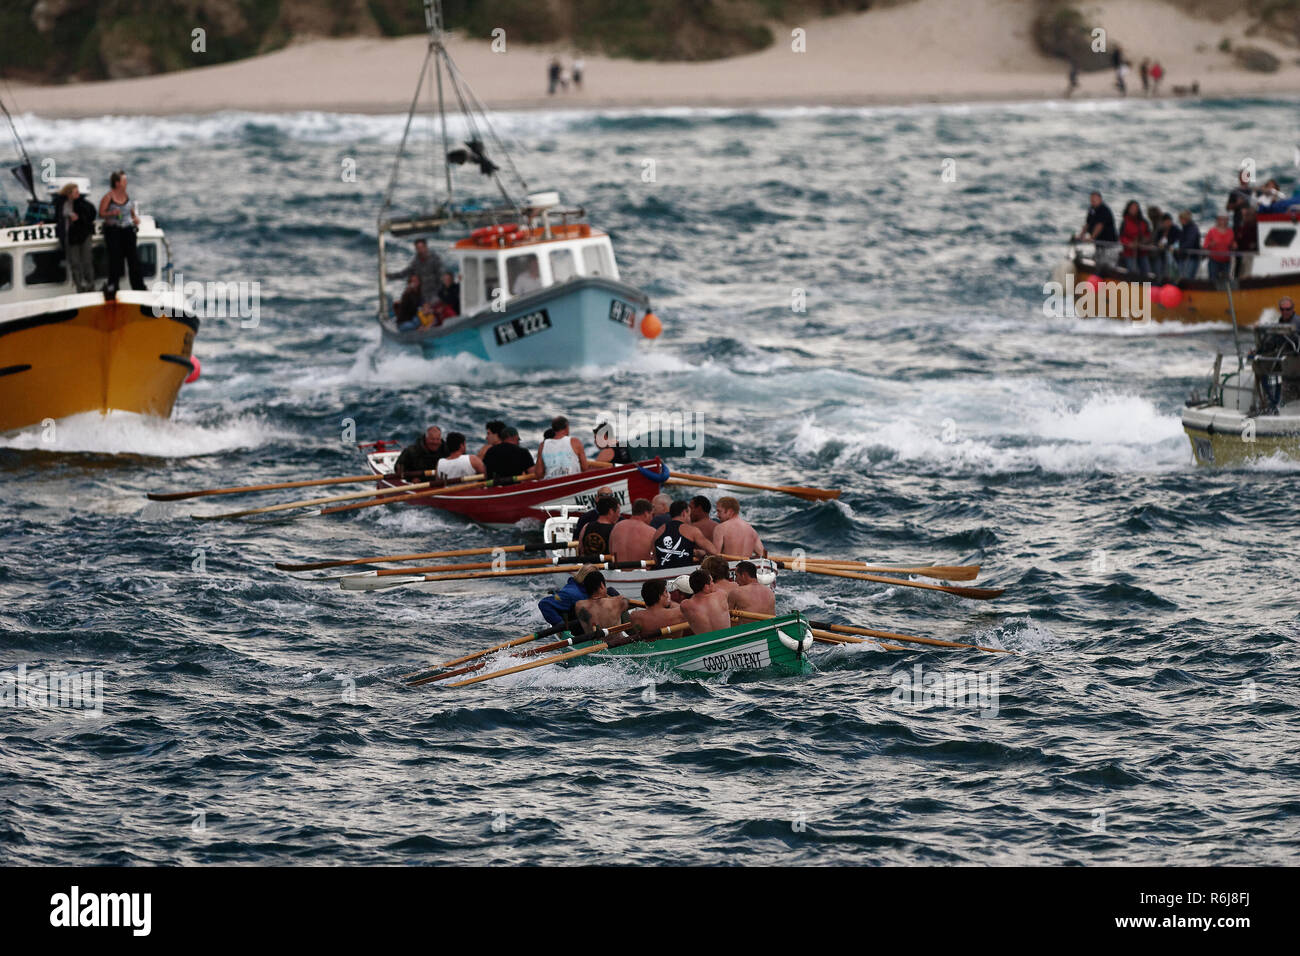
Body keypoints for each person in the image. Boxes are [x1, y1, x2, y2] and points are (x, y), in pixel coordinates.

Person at [99, 170, 144, 295]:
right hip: (114, 231)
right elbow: (101, 213)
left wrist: (135, 218)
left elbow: (130, 209)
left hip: (128, 230)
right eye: (124, 180)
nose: (126, 183)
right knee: (115, 259)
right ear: (117, 183)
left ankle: (138, 285)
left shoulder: (126, 195)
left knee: (133, 259)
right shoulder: (108, 197)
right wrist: (112, 213)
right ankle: (113, 285)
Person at [538, 564, 620, 627]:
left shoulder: (590, 590)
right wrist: (560, 625)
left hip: (586, 619)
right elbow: (544, 604)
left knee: (612, 592)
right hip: (575, 624)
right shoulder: (571, 594)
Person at [654, 500, 718, 569]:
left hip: (663, 575)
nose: (690, 518)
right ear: (684, 513)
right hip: (684, 575)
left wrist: (695, 552)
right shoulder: (691, 530)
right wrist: (699, 553)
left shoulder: (658, 532)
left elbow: (655, 557)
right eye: (689, 515)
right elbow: (713, 551)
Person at [56, 182, 95, 293]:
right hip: (71, 236)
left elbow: (90, 215)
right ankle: (79, 287)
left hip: (83, 234)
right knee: (75, 263)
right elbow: (58, 218)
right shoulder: (62, 205)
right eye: (75, 192)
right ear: (69, 194)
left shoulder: (83, 204)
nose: (78, 194)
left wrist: (79, 219)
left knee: (87, 261)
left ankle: (90, 286)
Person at [386, 238, 442, 305]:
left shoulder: (435, 259)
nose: (420, 250)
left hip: (434, 293)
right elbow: (406, 272)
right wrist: (391, 276)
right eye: (418, 248)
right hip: (421, 294)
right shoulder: (416, 261)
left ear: (426, 247)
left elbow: (441, 277)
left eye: (421, 247)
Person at [678, 569, 731, 635]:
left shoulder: (685, 605)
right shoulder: (721, 595)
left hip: (705, 643)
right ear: (706, 587)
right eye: (712, 582)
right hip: (726, 639)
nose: (714, 584)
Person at [608, 498, 657, 562]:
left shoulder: (617, 527)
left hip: (618, 570)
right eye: (652, 515)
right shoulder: (651, 532)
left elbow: (611, 551)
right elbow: (656, 557)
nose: (652, 518)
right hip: (641, 570)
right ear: (646, 514)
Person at [1080, 192, 1118, 268]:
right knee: (1098, 259)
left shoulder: (1104, 210)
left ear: (1100, 199)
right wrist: (1081, 235)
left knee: (1106, 262)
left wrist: (1092, 238)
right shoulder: (1092, 209)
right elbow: (1087, 223)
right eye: (1091, 200)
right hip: (1099, 242)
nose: (1093, 202)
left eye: (1095, 200)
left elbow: (1099, 225)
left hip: (1108, 243)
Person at [1119, 200, 1152, 276]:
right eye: (1132, 208)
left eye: (1135, 208)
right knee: (1133, 273)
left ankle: (1145, 287)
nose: (1134, 210)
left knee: (1146, 273)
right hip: (1129, 252)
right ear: (1128, 209)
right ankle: (1133, 287)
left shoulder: (1143, 222)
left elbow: (1148, 234)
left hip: (1142, 251)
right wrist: (1129, 243)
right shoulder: (1125, 222)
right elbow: (1121, 237)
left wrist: (1145, 240)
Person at [1203, 214, 1235, 285]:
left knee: (1226, 281)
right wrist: (1211, 244)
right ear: (1217, 220)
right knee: (1213, 280)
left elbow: (1232, 245)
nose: (1223, 221)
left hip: (1226, 261)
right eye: (1221, 219)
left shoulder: (1230, 232)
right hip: (1214, 261)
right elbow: (1205, 246)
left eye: (1225, 219)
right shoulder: (1211, 231)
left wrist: (1234, 246)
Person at [1153, 213, 1182, 280]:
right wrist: (1158, 244)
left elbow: (1177, 241)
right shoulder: (1160, 231)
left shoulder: (1176, 230)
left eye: (1169, 221)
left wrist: (1167, 245)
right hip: (1161, 255)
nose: (1168, 223)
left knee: (1172, 271)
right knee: (1160, 270)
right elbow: (1155, 241)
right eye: (1166, 222)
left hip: (1173, 256)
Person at [1176, 210, 1202, 280]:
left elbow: (1190, 242)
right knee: (1184, 277)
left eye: (1181, 219)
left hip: (1190, 257)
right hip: (1185, 257)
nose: (1180, 221)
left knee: (1187, 278)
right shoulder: (1185, 228)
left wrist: (1180, 248)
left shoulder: (1192, 228)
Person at [1234, 208, 1258, 279]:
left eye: (1247, 215)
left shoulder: (1254, 227)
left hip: (1248, 253)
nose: (1245, 217)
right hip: (1239, 252)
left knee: (1246, 271)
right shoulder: (1241, 225)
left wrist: (1254, 244)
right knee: (1238, 269)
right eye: (1244, 215)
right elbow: (1237, 237)